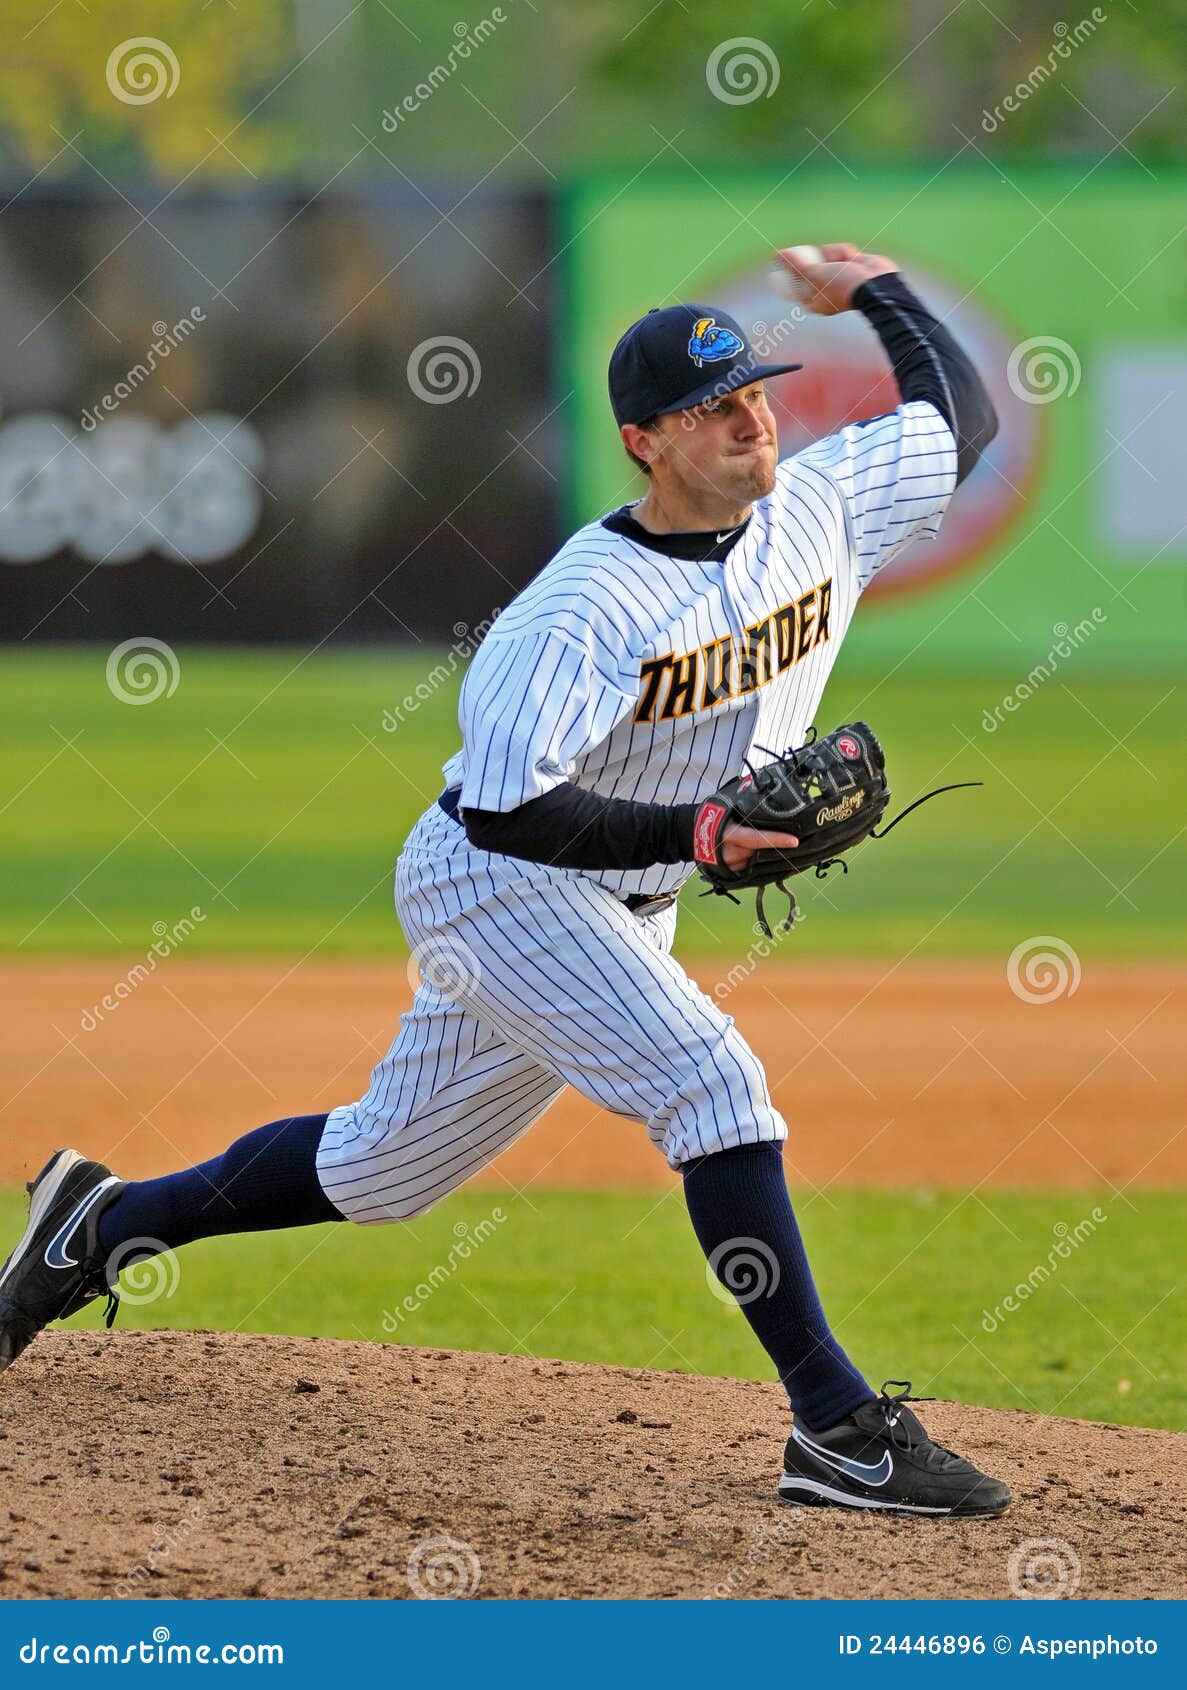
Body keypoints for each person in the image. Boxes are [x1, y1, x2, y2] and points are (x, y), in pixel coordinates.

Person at [0, 243, 1009, 1516]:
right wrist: (700, 834)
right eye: (713, 406)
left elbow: (954, 423)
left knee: (383, 1171)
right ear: (644, 440)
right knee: (714, 1083)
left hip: (614, 894)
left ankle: (93, 1225)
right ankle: (836, 1428)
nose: (750, 416)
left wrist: (875, 291)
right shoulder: (578, 610)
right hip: (497, 884)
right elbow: (508, 804)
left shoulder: (818, 505)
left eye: (754, 391)